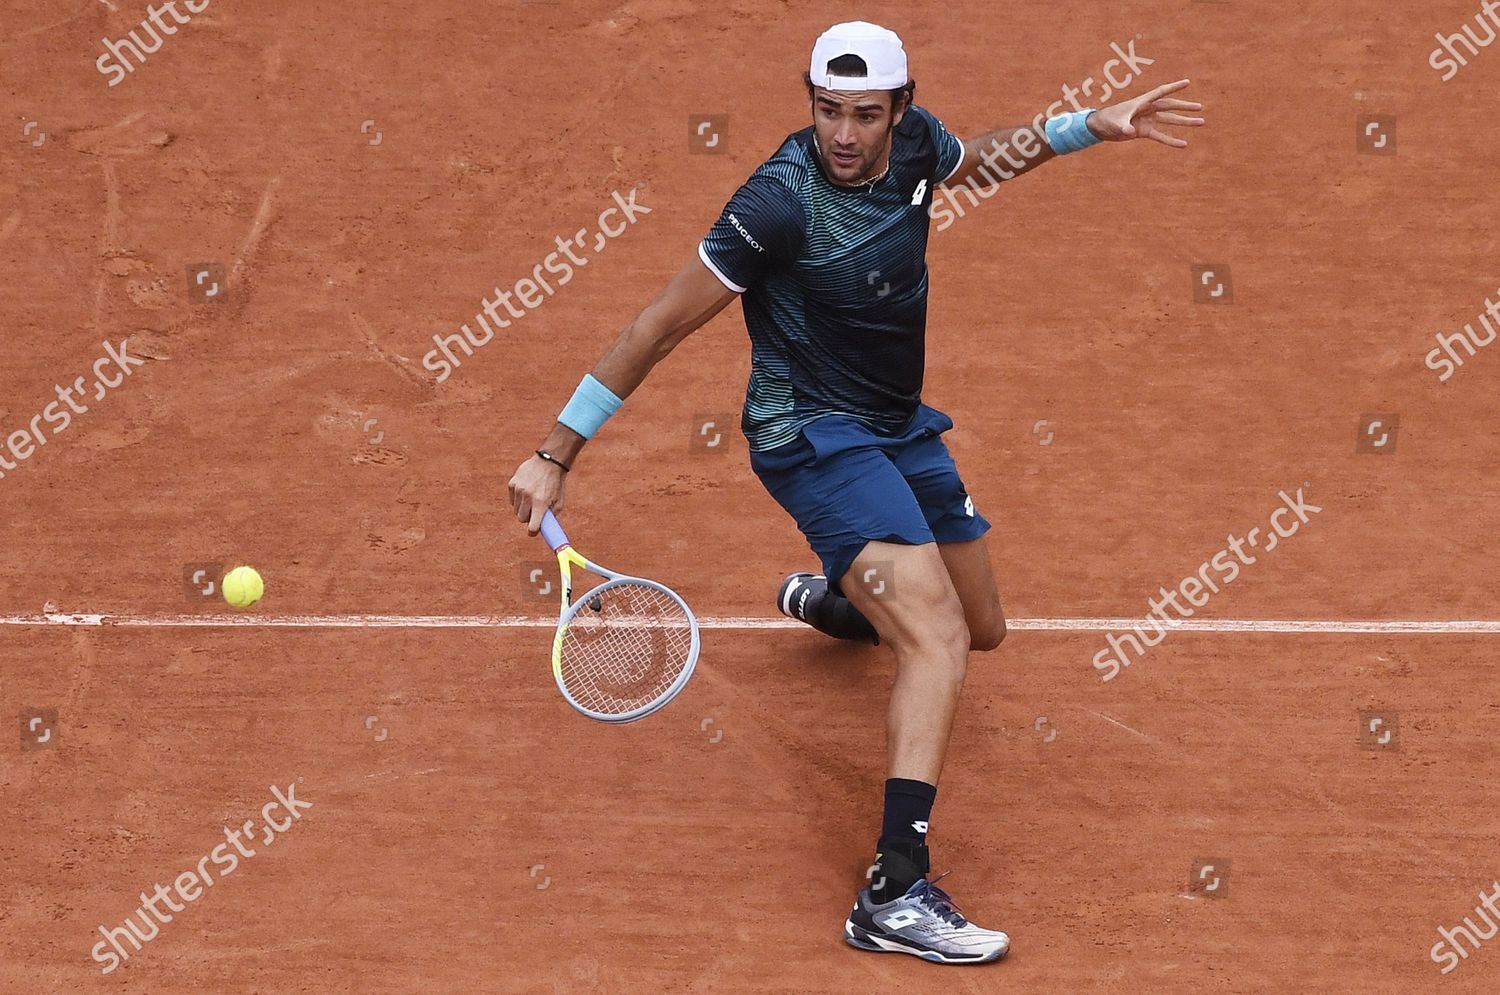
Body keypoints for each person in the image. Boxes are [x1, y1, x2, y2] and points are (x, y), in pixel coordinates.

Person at [508, 20, 1203, 963]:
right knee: (937, 636)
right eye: (827, 110)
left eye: (865, 115)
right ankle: (894, 890)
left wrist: (1088, 126)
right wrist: (555, 451)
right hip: (809, 437)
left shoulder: (916, 146)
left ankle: (845, 602)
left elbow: (972, 160)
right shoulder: (776, 204)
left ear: (900, 110)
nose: (843, 133)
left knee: (982, 624)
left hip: (896, 422)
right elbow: (659, 324)